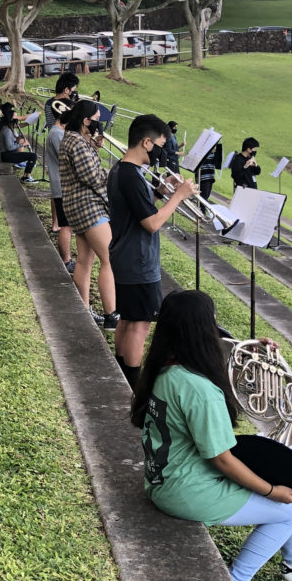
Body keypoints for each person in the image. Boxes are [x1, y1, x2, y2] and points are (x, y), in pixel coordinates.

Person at [132, 290, 292, 581]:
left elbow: (217, 368)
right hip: (187, 491)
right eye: (212, 322)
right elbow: (222, 459)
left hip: (163, 479)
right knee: (288, 511)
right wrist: (271, 490)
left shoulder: (165, 369)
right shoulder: (200, 390)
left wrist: (256, 351)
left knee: (280, 490)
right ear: (203, 329)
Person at [107, 114, 196, 387]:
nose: (163, 151)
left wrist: (160, 190)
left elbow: (139, 208)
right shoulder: (131, 176)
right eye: (161, 144)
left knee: (128, 321)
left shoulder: (122, 170)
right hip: (138, 261)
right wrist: (179, 196)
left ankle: (122, 376)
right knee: (140, 326)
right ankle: (134, 386)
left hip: (125, 256)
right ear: (146, 142)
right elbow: (152, 223)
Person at [59, 100, 117, 327]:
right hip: (89, 208)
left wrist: (94, 147)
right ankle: (112, 315)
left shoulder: (77, 141)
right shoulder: (76, 143)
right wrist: (116, 176)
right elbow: (93, 177)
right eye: (96, 120)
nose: (98, 125)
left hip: (77, 208)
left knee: (84, 261)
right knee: (109, 259)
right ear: (85, 121)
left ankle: (84, 309)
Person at [45, 104, 75, 273]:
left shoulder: (58, 132)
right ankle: (66, 261)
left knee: (67, 225)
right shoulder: (57, 133)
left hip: (62, 184)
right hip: (61, 184)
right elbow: (66, 157)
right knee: (66, 226)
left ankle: (67, 260)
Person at [0, 108, 36, 182]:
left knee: (32, 156)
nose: (17, 119)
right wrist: (22, 144)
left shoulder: (9, 128)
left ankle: (26, 176)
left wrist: (18, 139)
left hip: (8, 154)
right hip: (6, 156)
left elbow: (11, 143)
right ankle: (26, 177)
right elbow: (9, 147)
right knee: (33, 156)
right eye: (15, 117)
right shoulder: (7, 130)